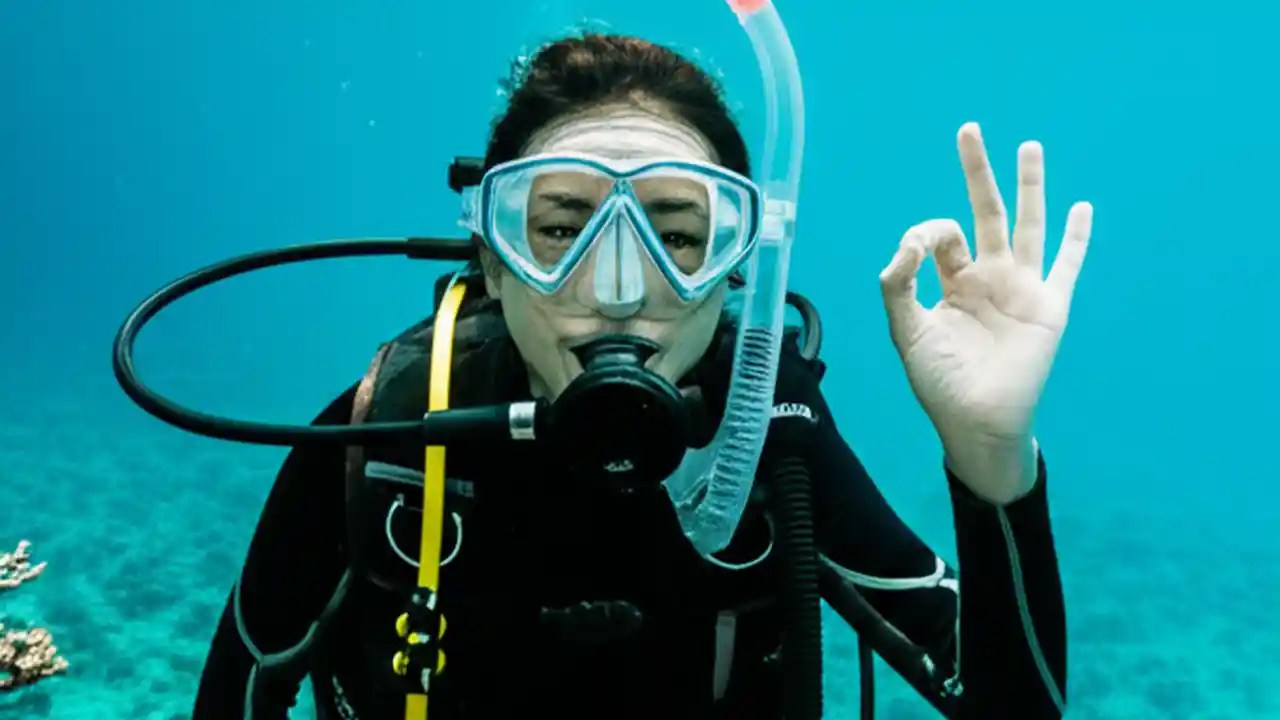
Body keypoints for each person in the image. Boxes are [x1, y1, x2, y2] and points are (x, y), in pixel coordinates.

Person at [192, 26, 1092, 720]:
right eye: (559, 228)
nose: (619, 292)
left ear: (741, 264)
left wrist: (993, 464)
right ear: (494, 261)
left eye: (677, 235)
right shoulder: (392, 433)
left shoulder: (770, 433)